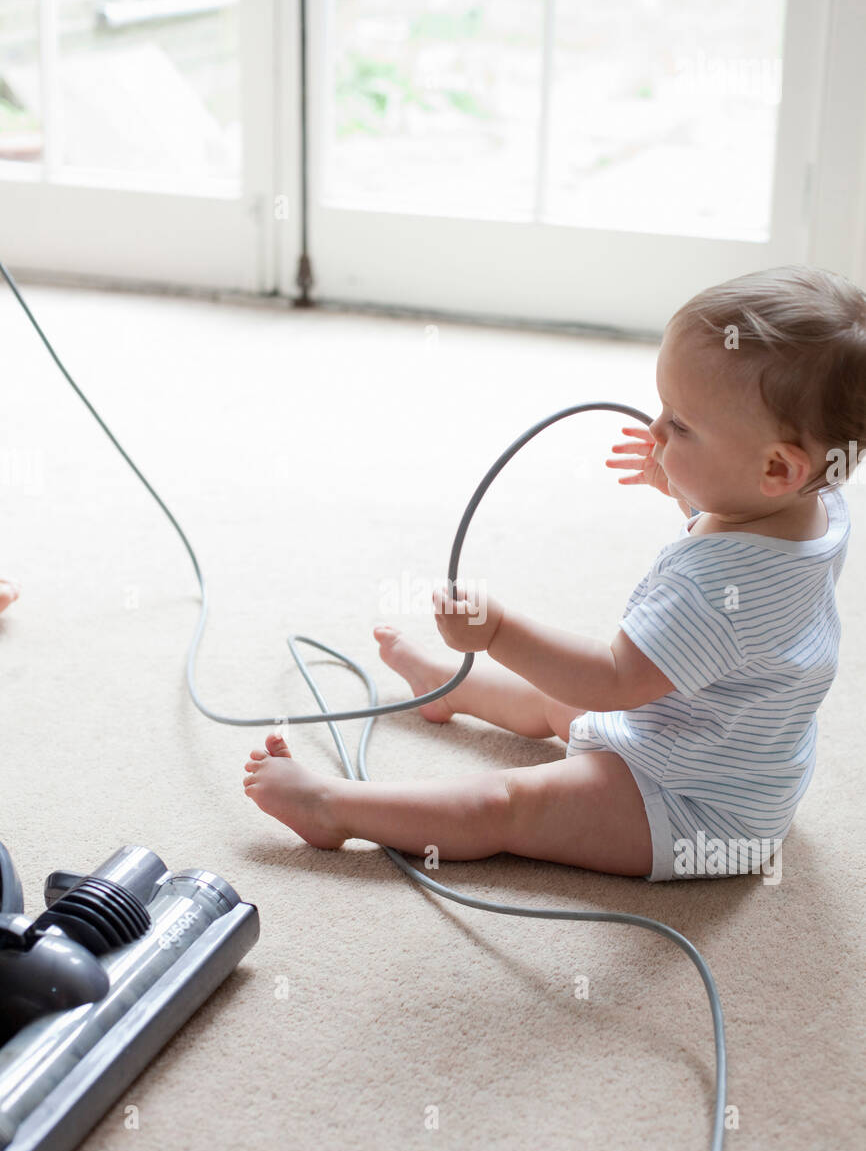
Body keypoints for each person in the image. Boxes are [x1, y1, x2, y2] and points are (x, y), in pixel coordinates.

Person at [243, 265, 859, 881]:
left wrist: (497, 632)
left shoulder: (714, 588)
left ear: (778, 469)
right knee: (549, 689)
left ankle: (332, 808)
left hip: (694, 809)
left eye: (681, 425)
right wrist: (685, 487)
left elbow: (612, 679)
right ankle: (450, 688)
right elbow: (743, 525)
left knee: (507, 803)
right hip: (715, 745)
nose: (654, 430)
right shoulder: (816, 506)